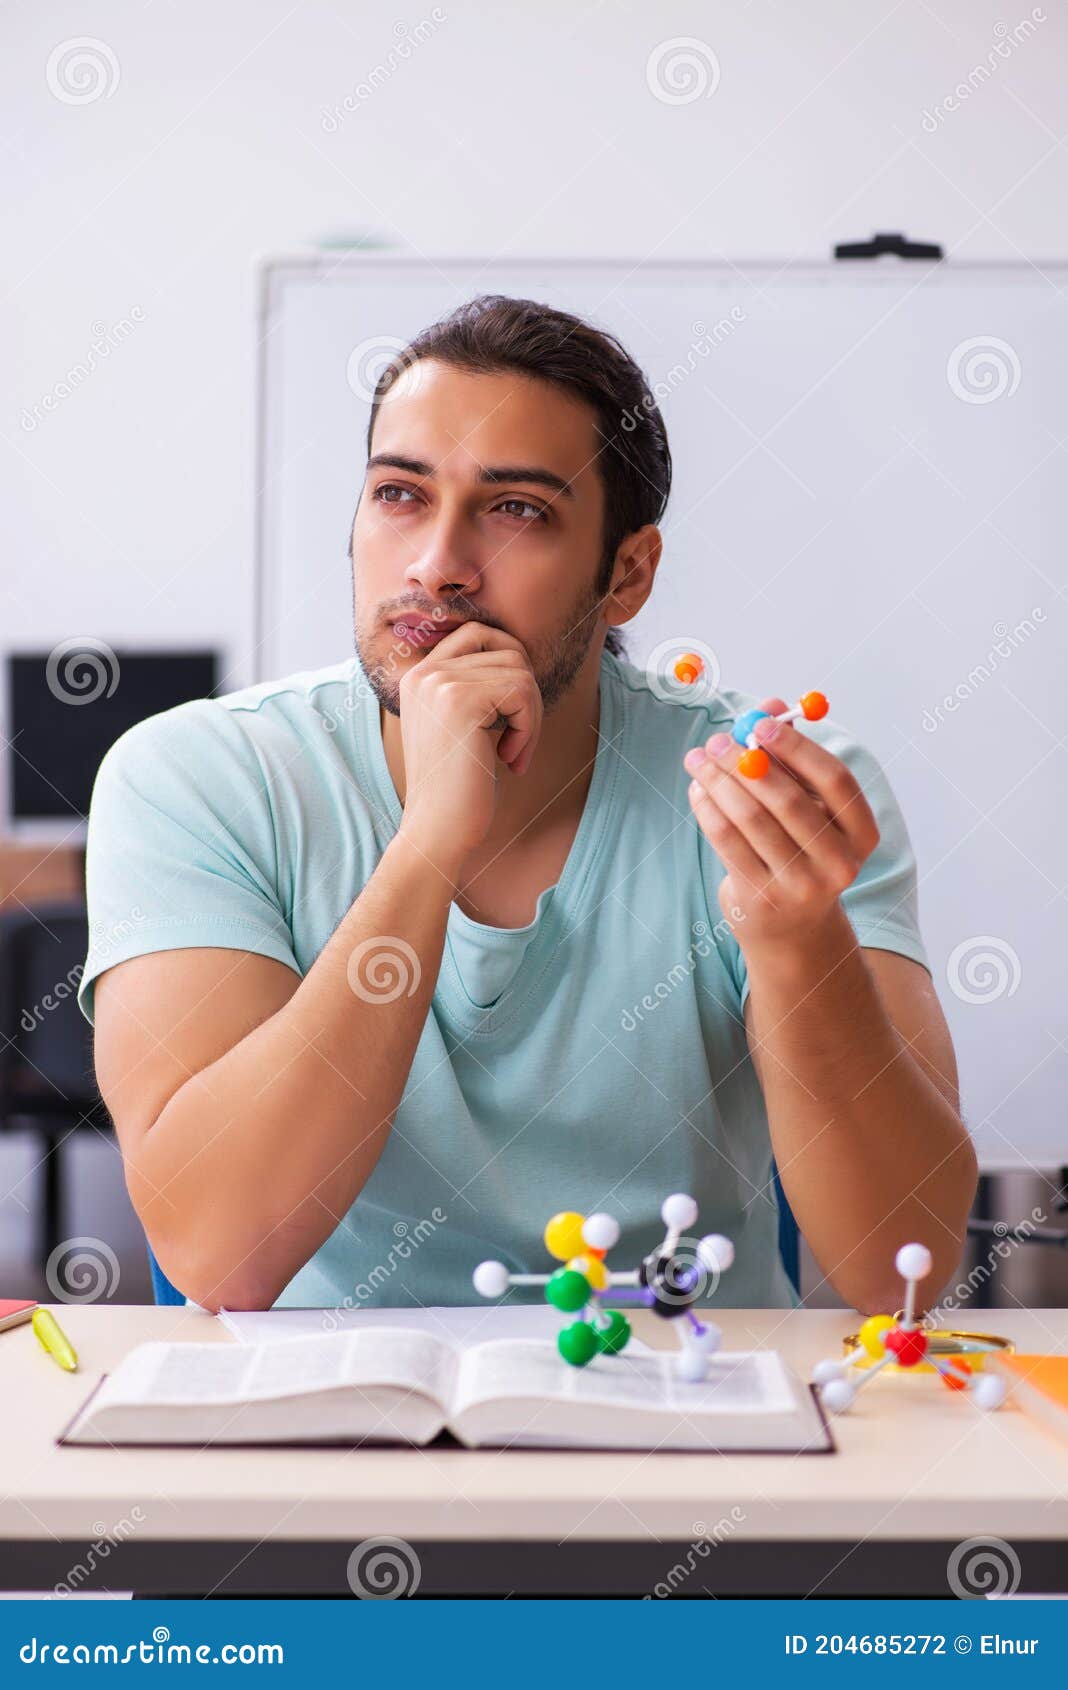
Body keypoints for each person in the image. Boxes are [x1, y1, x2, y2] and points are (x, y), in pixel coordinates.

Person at [79, 294, 976, 1315]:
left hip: (689, 1412)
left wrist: (797, 942)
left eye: (517, 510)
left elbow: (905, 1263)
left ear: (627, 573)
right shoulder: (196, 776)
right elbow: (217, 1253)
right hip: (322, 1436)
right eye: (401, 494)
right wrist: (427, 848)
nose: (436, 565)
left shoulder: (768, 800)